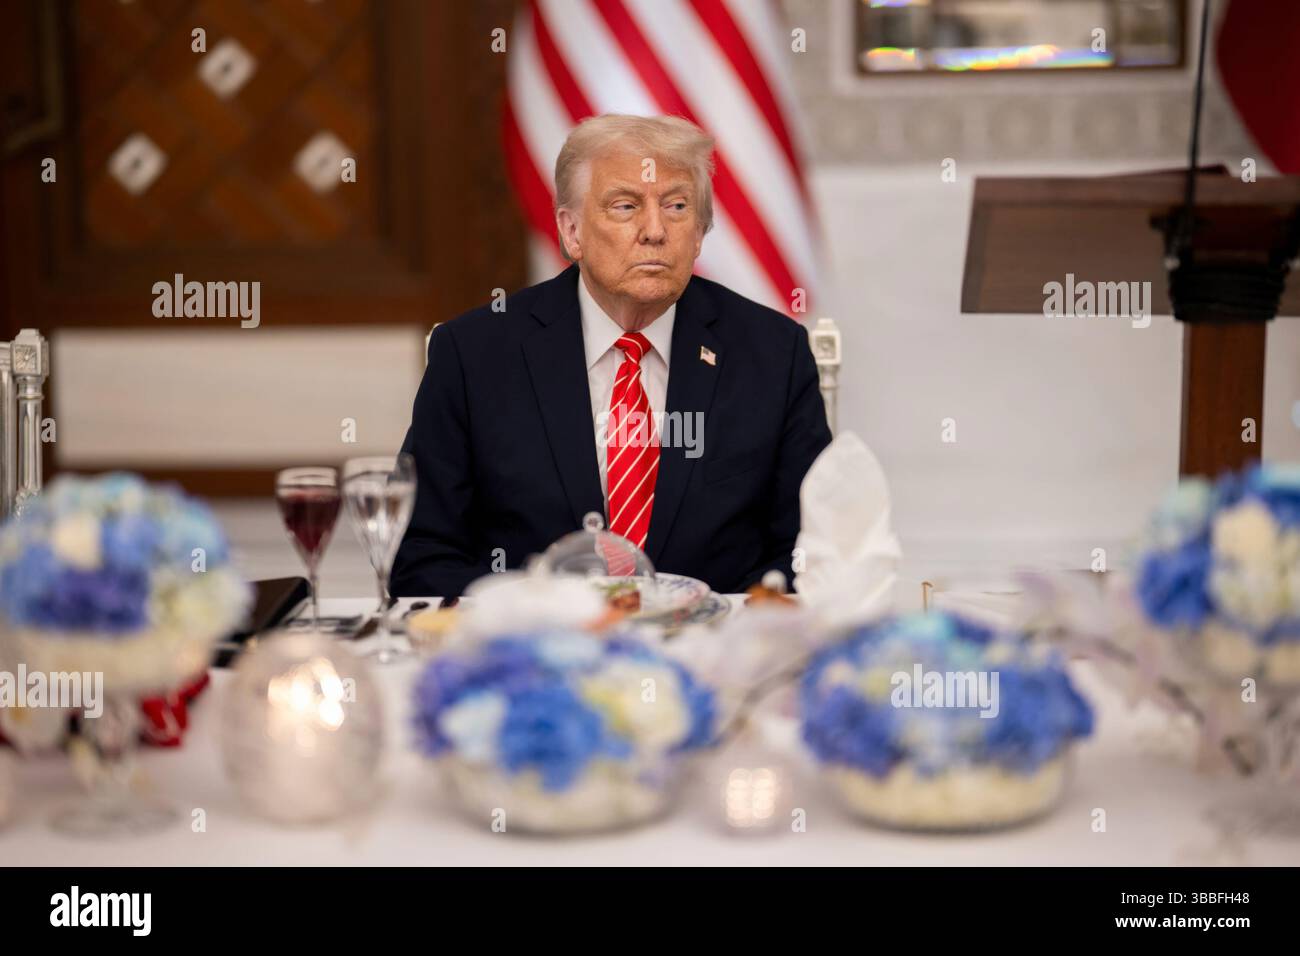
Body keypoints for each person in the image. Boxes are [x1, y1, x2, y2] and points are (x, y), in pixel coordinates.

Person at [391, 114, 830, 598]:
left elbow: (814, 550)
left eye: (678, 206)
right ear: (572, 230)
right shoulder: (474, 355)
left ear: (701, 232)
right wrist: (540, 614)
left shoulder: (773, 353)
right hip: (539, 652)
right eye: (625, 206)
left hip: (713, 654)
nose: (655, 230)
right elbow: (422, 557)